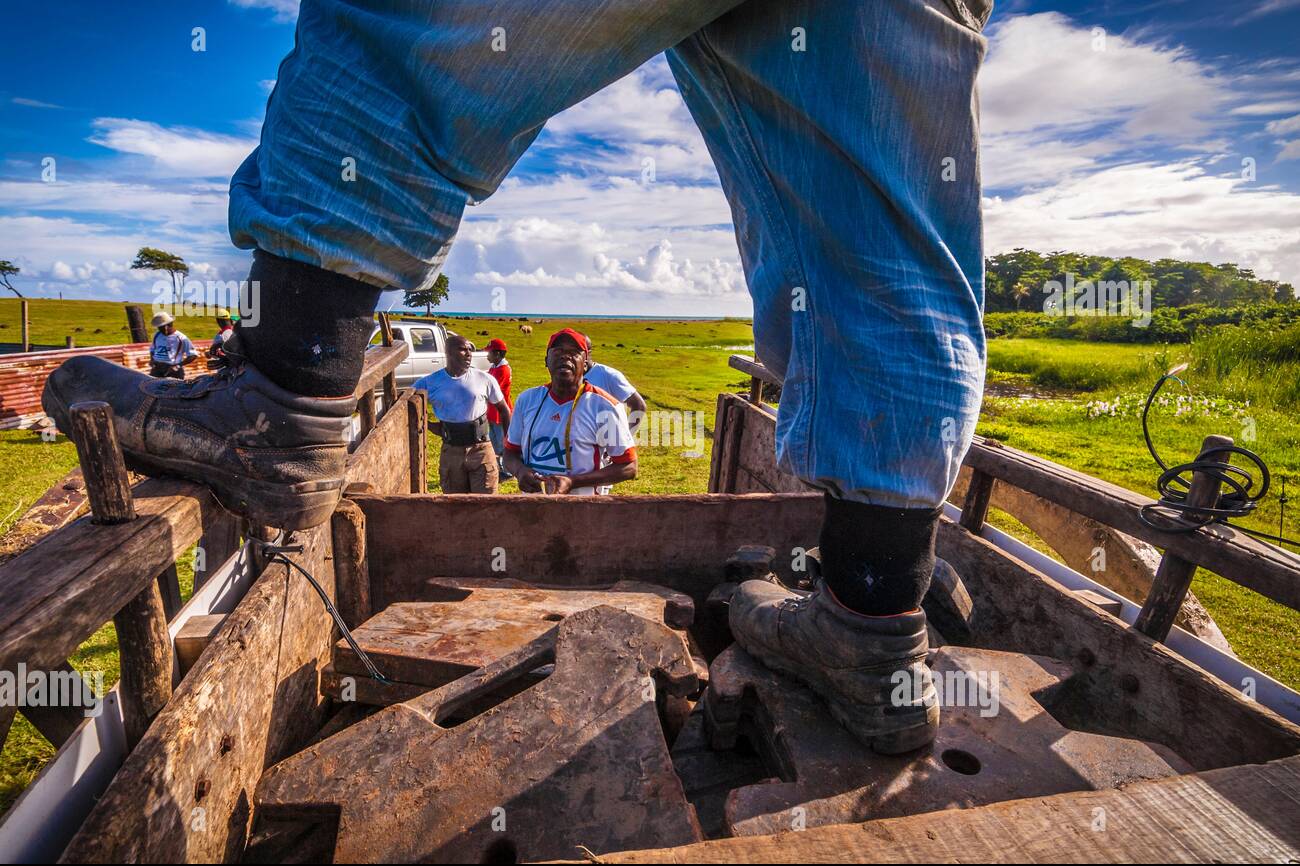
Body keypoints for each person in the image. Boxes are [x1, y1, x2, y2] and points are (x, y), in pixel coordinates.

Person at [42, 0, 993, 752]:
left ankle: (289, 379)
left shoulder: (573, 405)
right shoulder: (523, 399)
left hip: (509, 469)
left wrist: (566, 479)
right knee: (880, 183)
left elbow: (601, 463)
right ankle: (875, 614)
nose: (563, 361)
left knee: (414, 24)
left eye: (573, 352)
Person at [502, 329, 637, 496]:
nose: (565, 356)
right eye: (558, 351)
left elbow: (628, 467)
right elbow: (510, 452)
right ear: (546, 360)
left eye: (574, 352)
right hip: (533, 509)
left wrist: (573, 482)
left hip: (582, 510)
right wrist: (520, 471)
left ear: (586, 363)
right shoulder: (527, 399)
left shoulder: (604, 406)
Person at [415, 334, 512, 494]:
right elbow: (407, 404)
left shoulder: (484, 379)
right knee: (455, 506)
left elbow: (504, 409)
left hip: (481, 449)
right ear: (449, 353)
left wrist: (507, 443)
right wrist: (428, 425)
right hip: (451, 451)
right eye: (462, 349)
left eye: (470, 349)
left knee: (486, 504)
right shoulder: (429, 382)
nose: (468, 353)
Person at [580, 334, 647, 419]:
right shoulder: (563, 377)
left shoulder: (609, 375)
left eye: (575, 351)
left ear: (588, 353)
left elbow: (639, 406)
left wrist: (626, 432)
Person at [484, 338, 513, 471]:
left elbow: (492, 390)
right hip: (492, 410)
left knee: (502, 440)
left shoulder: (503, 370)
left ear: (497, 354)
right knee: (494, 440)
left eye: (489, 352)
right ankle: (498, 466)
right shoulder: (494, 367)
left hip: (499, 412)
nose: (487, 355)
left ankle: (506, 469)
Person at [147, 312, 198, 379]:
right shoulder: (157, 335)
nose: (159, 330)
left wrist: (178, 366)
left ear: (166, 326)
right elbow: (152, 349)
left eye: (161, 328)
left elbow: (193, 355)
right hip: (157, 368)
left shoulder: (181, 338)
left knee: (173, 388)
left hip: (173, 369)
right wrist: (152, 359)